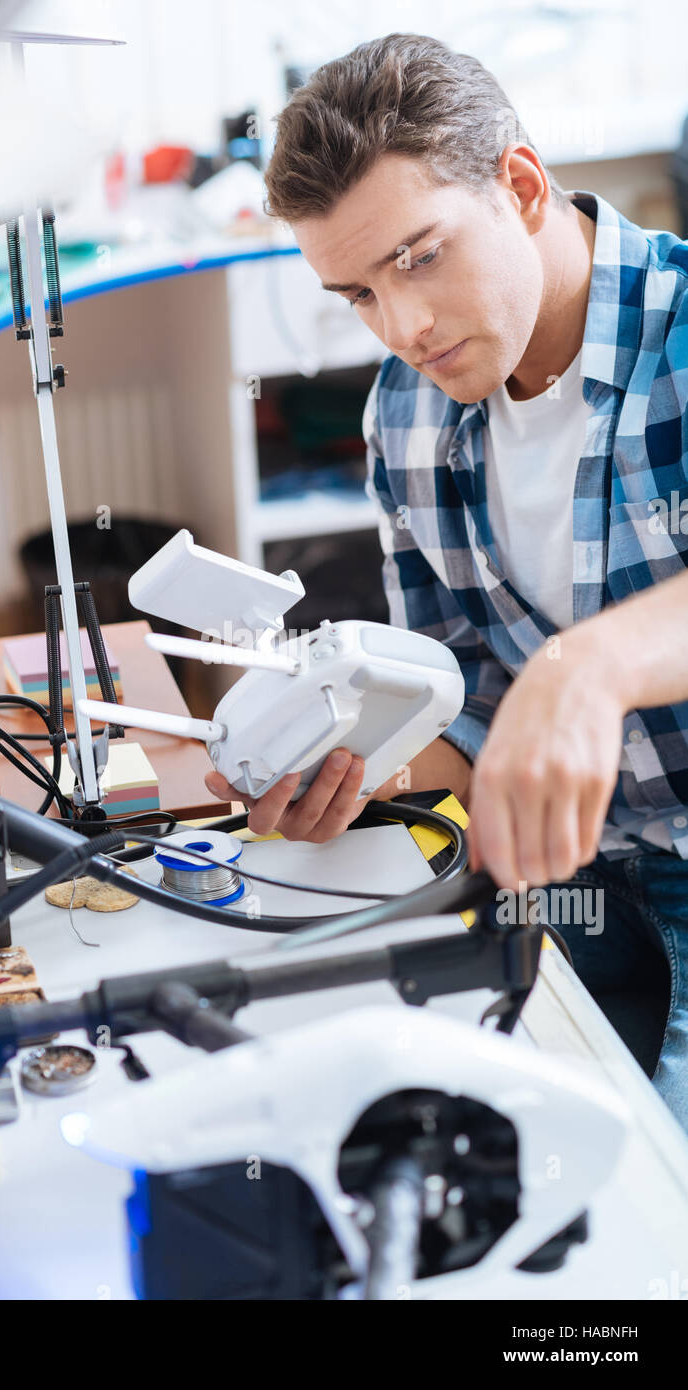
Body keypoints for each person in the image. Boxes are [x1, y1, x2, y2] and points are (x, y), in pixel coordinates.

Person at [203, 33, 688, 1127]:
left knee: (649, 1216)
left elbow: (567, 675)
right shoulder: (407, 417)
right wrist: (350, 757)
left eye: (419, 258)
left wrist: (588, 667)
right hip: (574, 878)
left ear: (521, 187)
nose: (404, 328)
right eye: (357, 294)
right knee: (407, 1130)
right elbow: (461, 701)